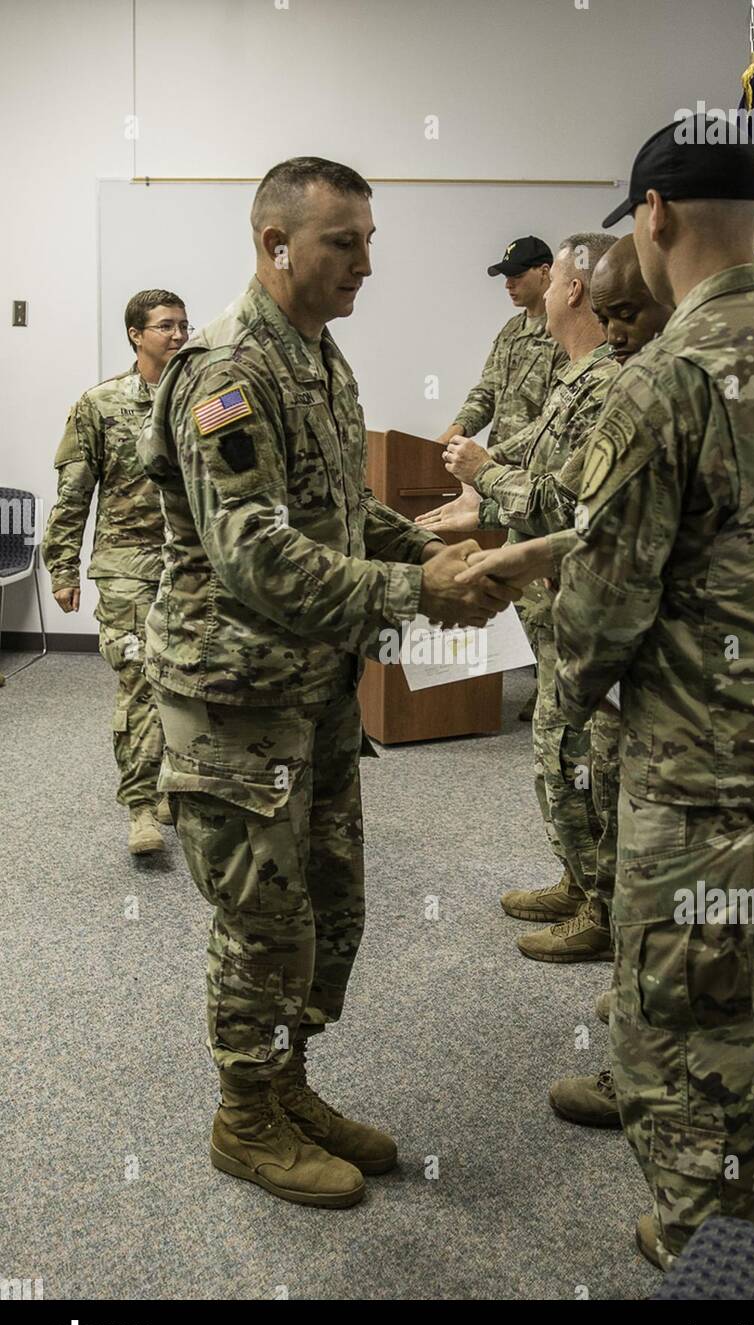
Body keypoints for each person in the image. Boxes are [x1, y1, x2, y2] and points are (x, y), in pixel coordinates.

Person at [455, 120, 754, 1269]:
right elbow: (737, 539)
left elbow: (601, 614)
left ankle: (708, 1244)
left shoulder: (666, 382)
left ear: (652, 216)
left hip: (700, 763)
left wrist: (564, 678)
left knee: (684, 1006)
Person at [138, 156, 518, 1211]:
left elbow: (335, 515)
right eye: (341, 242)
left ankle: (286, 1080)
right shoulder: (224, 370)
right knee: (262, 919)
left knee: (326, 904)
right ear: (274, 245)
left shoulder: (317, 356)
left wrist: (447, 552)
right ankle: (243, 1116)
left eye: (368, 239)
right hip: (234, 691)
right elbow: (252, 551)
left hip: (310, 683)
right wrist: (415, 592)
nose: (364, 262)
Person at [423, 233, 619, 962]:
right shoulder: (566, 365)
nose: (516, 288)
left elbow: (557, 497)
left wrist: (485, 478)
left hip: (589, 594)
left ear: (566, 286)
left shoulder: (609, 379)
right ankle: (583, 878)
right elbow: (525, 440)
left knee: (584, 747)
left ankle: (602, 900)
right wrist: (476, 482)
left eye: (539, 276)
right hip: (553, 568)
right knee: (563, 741)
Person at [41, 290, 190, 855]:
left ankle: (176, 787)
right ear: (136, 334)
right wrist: (63, 566)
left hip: (194, 565)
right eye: (164, 327)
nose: (177, 335)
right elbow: (73, 494)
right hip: (127, 563)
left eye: (183, 325)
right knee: (140, 678)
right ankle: (140, 806)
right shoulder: (99, 405)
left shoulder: (203, 399)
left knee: (187, 678)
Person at [436, 236, 566, 450]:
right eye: (507, 277)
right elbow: (487, 392)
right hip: (497, 472)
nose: (508, 284)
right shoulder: (511, 331)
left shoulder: (562, 332)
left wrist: (491, 456)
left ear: (544, 272)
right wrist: (454, 432)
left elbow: (554, 419)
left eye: (517, 275)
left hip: (536, 471)